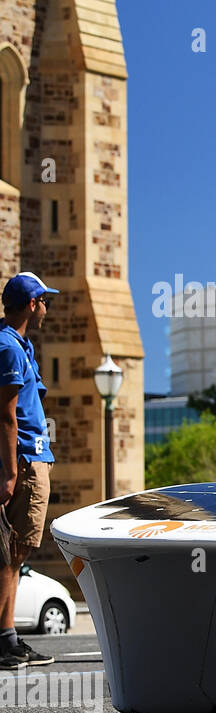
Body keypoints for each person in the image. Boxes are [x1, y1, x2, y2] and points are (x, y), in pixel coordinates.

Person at [0, 272, 58, 669]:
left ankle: (8, 638)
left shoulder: (20, 345)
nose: (46, 308)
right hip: (22, 458)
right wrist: (9, 471)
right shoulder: (7, 346)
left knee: (14, 554)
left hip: (30, 455)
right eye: (43, 301)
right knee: (11, 552)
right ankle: (4, 641)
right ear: (31, 304)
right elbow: (6, 416)